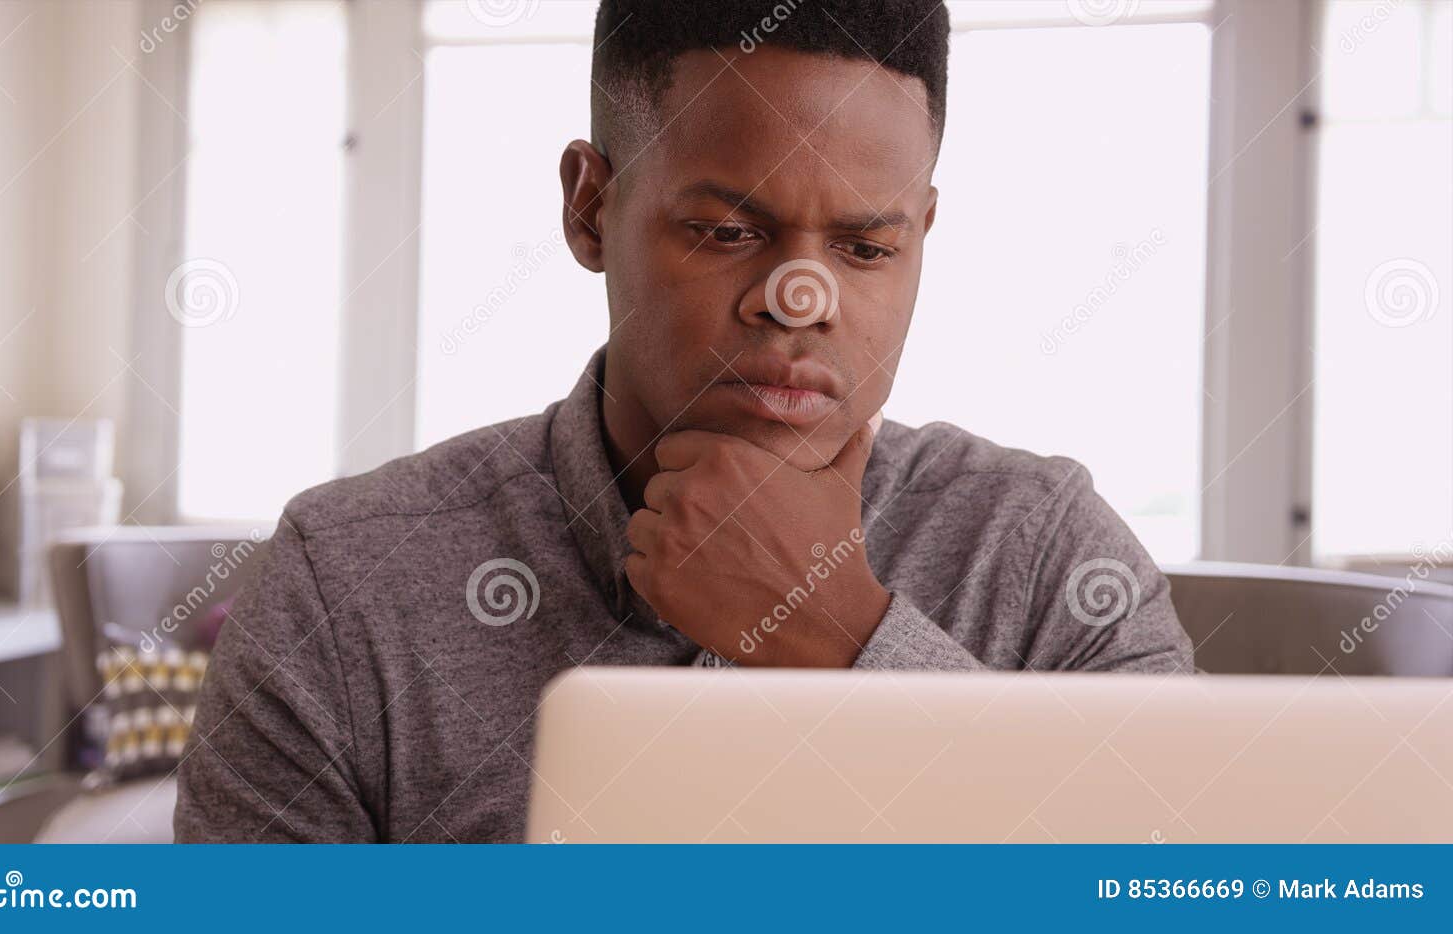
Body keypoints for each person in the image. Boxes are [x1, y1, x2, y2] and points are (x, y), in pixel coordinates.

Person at [176, 0, 1193, 844]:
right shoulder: (343, 590)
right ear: (589, 209)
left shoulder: (1044, 556)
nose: (798, 298)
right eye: (726, 231)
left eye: (866, 249)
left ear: (921, 234)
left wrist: (842, 641)